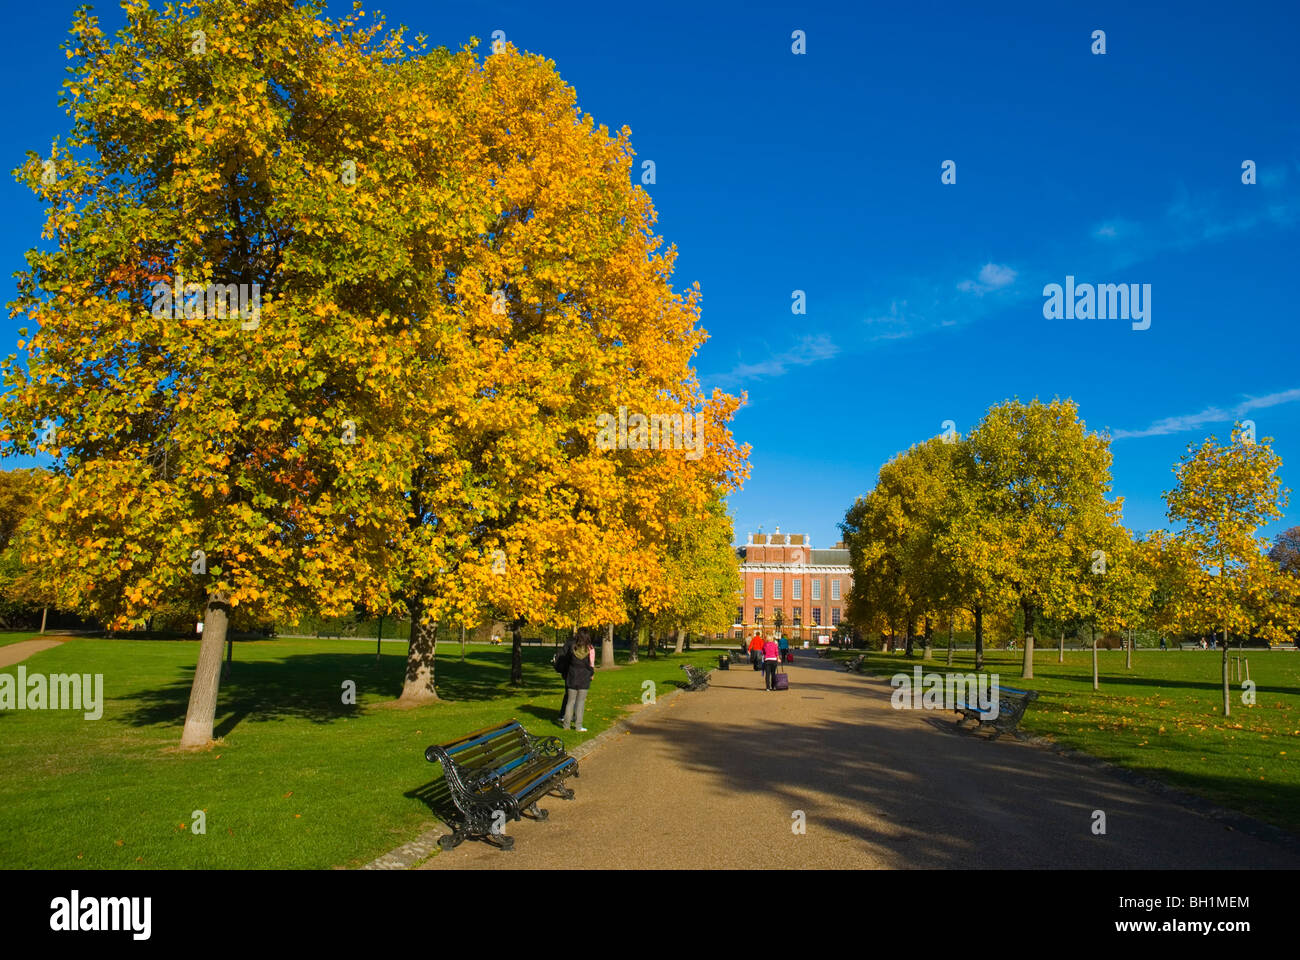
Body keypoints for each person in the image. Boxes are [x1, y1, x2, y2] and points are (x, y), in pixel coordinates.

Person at [562, 627, 596, 732]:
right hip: (584, 677)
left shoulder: (572, 648)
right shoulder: (590, 649)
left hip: (572, 677)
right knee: (580, 702)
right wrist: (591, 674)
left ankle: (566, 725)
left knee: (570, 702)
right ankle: (578, 726)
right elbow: (591, 664)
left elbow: (567, 661)